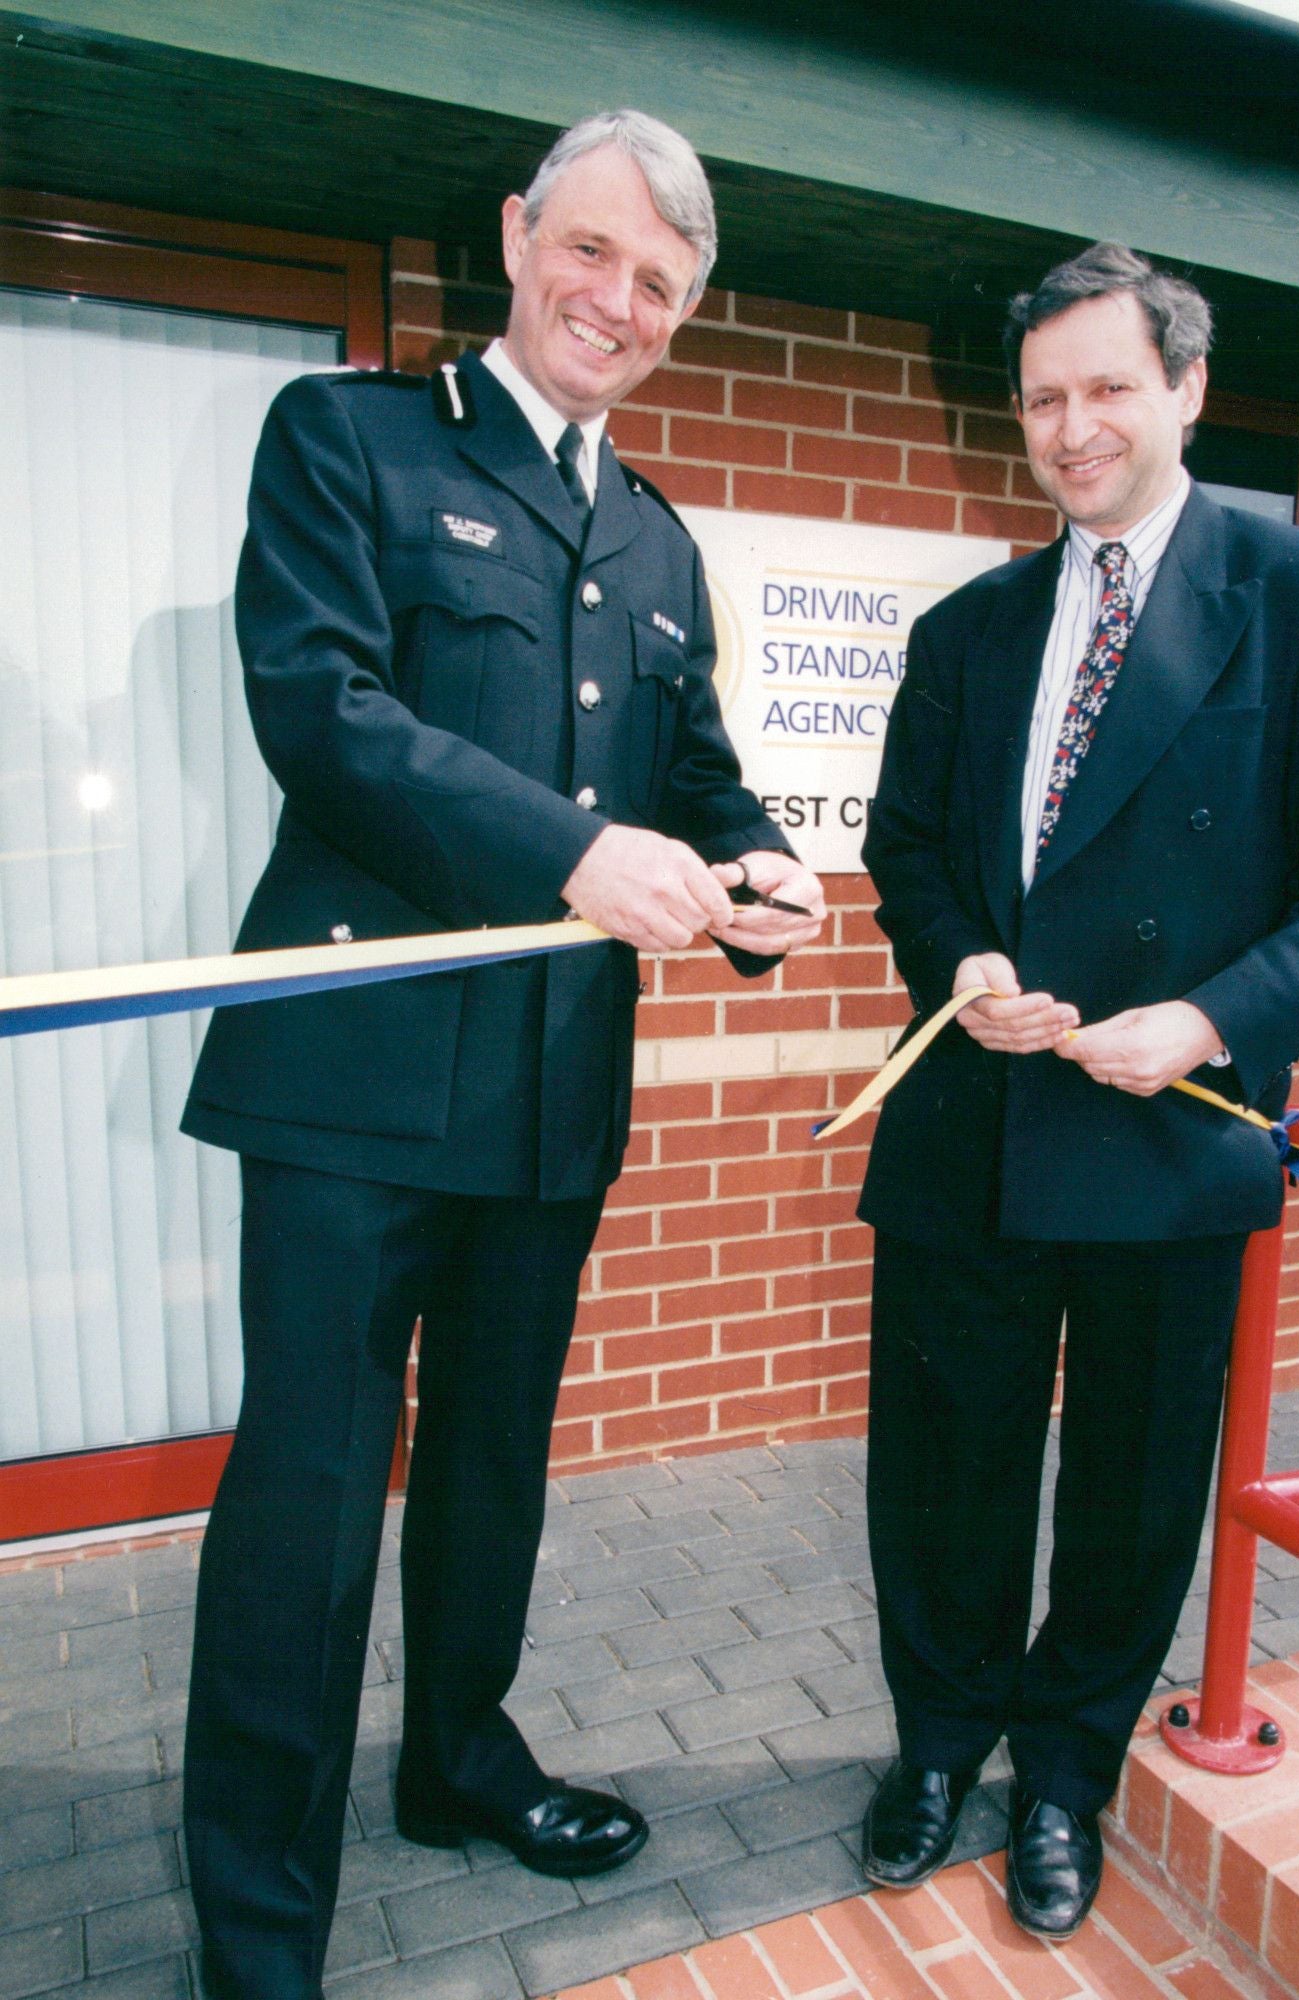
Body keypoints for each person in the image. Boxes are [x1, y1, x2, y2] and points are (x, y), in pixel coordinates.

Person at [179, 109, 824, 2000]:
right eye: (595, 252)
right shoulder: (351, 440)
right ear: (520, 229)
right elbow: (323, 708)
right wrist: (571, 849)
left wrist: (759, 858)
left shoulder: (655, 536)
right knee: (307, 1505)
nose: (616, 303)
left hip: (551, 1091)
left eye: (661, 286)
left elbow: (689, 773)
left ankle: (460, 1764)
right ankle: (262, 1925)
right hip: (351, 1086)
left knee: (490, 1470)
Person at [856, 242, 1299, 1938]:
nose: (1071, 425)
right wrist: (959, 967)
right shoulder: (968, 626)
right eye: (1041, 397)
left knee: (1132, 1480)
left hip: (1168, 1132)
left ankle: (1066, 1776)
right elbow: (913, 855)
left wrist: (1206, 1020)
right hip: (977, 1127)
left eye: (1106, 386)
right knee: (944, 1465)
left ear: (1185, 387)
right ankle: (940, 1742)